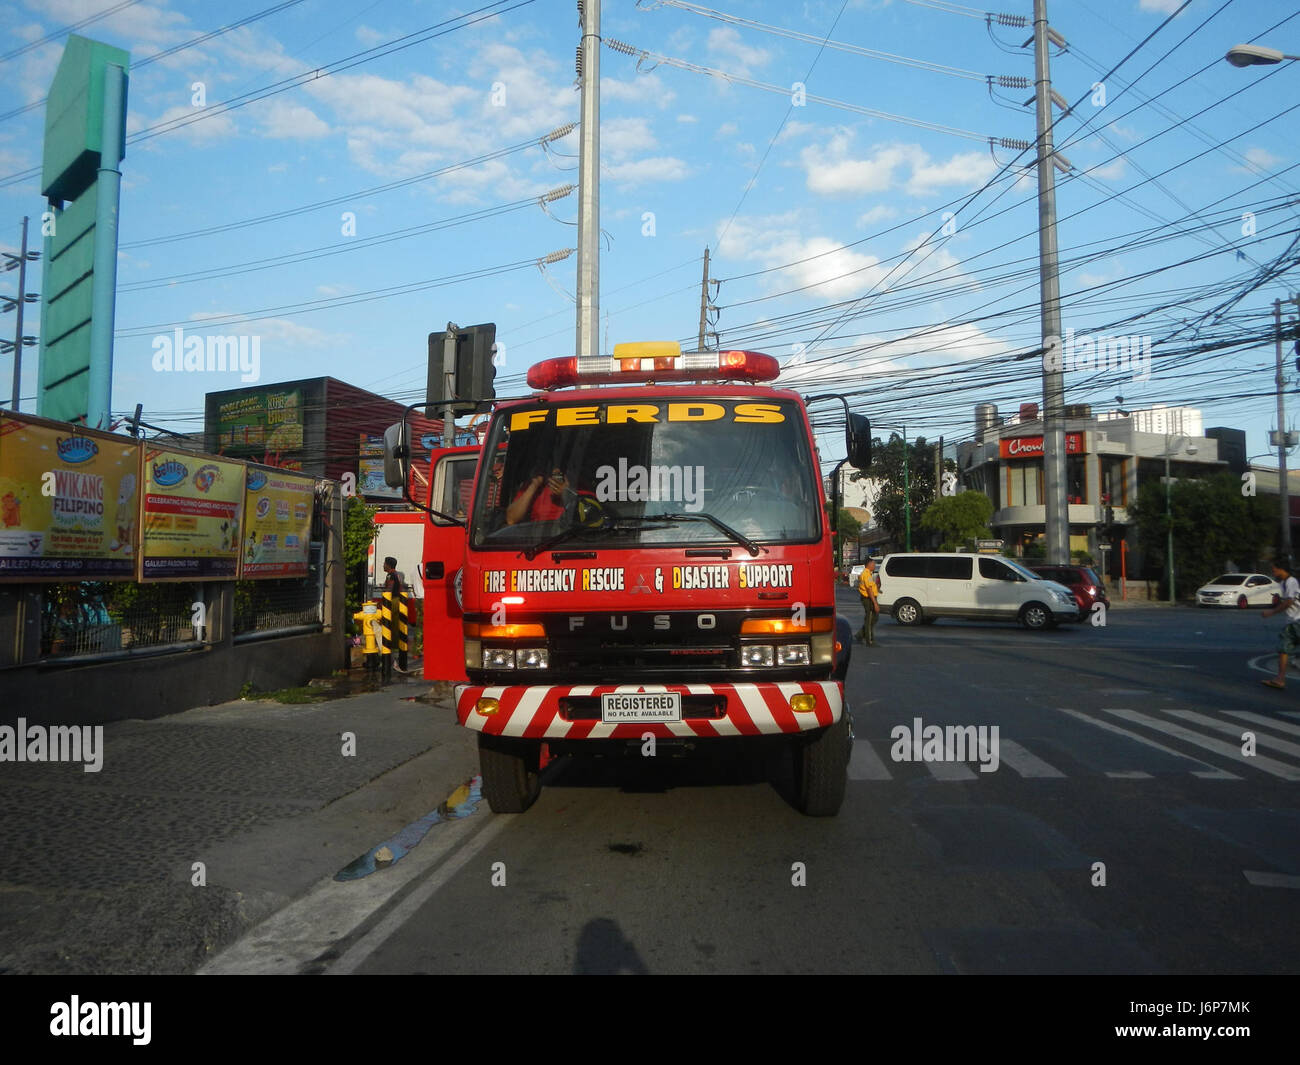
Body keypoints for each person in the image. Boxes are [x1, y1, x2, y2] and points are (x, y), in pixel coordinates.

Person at [1261, 558, 1300, 689]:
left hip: (1297, 621)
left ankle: (1280, 678)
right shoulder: (1284, 582)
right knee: (1283, 649)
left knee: (1284, 648)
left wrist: (1271, 612)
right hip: (1292, 622)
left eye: (1274, 568)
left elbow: (1289, 601)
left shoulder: (1291, 581)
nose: (1272, 571)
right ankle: (1280, 679)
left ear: (1281, 569)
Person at [506, 466, 574, 525]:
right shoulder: (533, 488)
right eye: (552, 466)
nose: (556, 470)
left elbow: (582, 518)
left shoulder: (576, 487)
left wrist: (567, 494)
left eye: (560, 467)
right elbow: (511, 519)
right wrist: (534, 484)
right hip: (537, 535)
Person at [856, 558, 880, 645]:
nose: (874, 566)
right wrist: (875, 603)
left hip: (869, 598)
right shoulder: (866, 574)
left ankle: (860, 634)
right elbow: (869, 589)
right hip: (868, 599)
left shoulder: (868, 574)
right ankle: (869, 640)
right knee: (869, 620)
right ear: (869, 564)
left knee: (874, 618)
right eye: (873, 564)